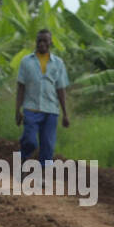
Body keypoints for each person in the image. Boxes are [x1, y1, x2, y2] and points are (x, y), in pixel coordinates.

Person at [15, 29, 70, 167]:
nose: (42, 44)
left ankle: (42, 177)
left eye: (45, 40)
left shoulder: (58, 63)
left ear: (50, 42)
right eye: (39, 40)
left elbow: (61, 89)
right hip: (31, 108)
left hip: (51, 110)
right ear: (36, 42)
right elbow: (21, 87)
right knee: (30, 141)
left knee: (48, 146)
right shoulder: (26, 62)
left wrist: (65, 113)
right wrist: (17, 110)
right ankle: (23, 162)